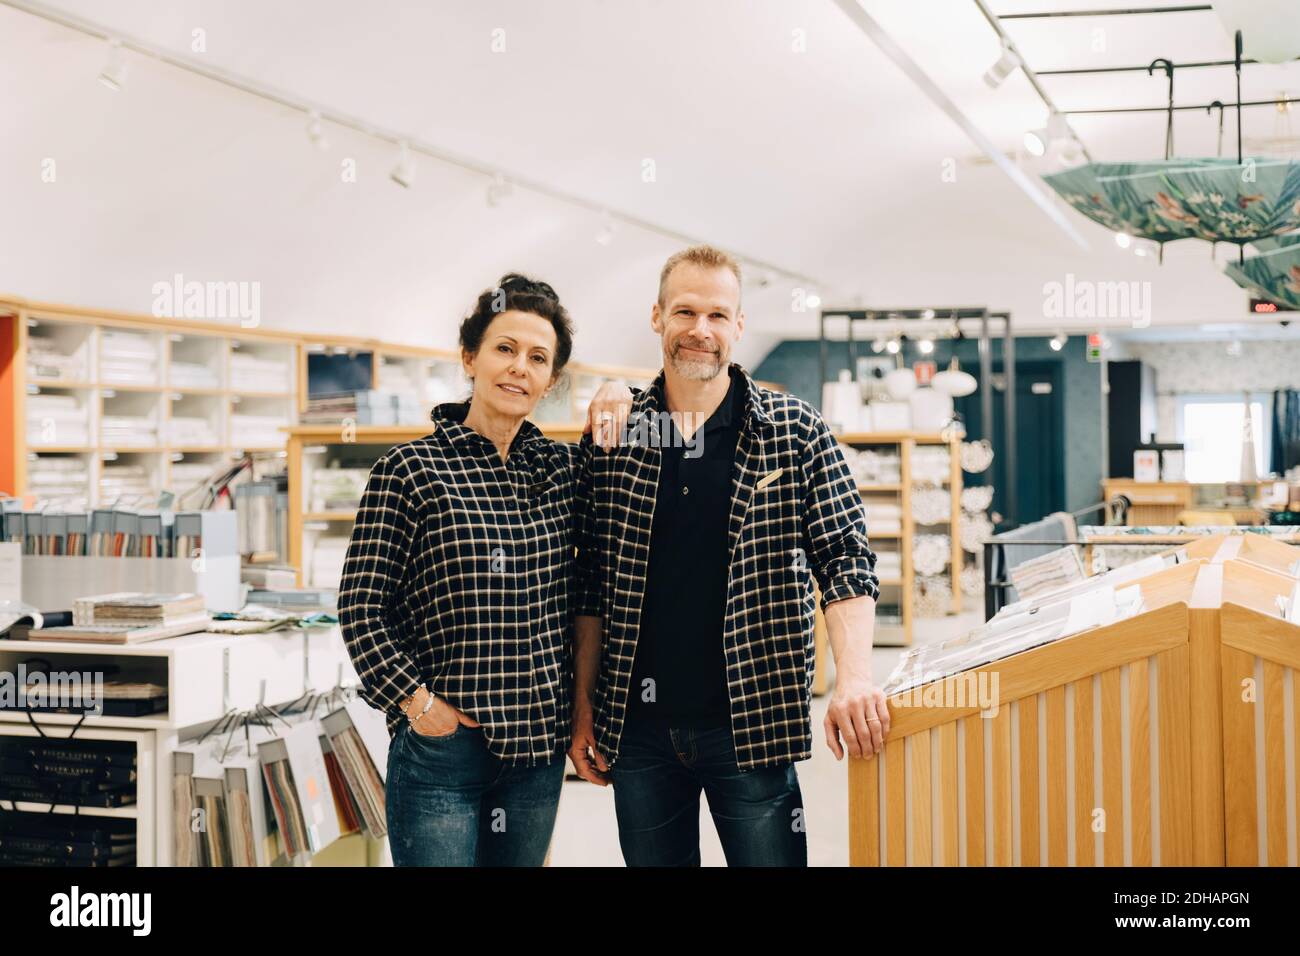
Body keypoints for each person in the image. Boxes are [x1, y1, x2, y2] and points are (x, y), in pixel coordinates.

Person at [569, 245, 890, 867]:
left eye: (718, 315)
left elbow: (845, 558)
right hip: (638, 733)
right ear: (657, 317)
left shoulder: (795, 432)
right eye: (685, 312)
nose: (700, 330)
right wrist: (583, 709)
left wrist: (854, 677)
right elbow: (589, 586)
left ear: (739, 326)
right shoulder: (615, 434)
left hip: (754, 721)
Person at [338, 274, 627, 867]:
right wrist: (419, 707)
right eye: (505, 348)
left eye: (538, 358)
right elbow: (362, 609)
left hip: (535, 753)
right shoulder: (409, 470)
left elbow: (588, 594)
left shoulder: (564, 472)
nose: (520, 367)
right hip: (443, 751)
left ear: (551, 381)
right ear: (470, 357)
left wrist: (622, 388)